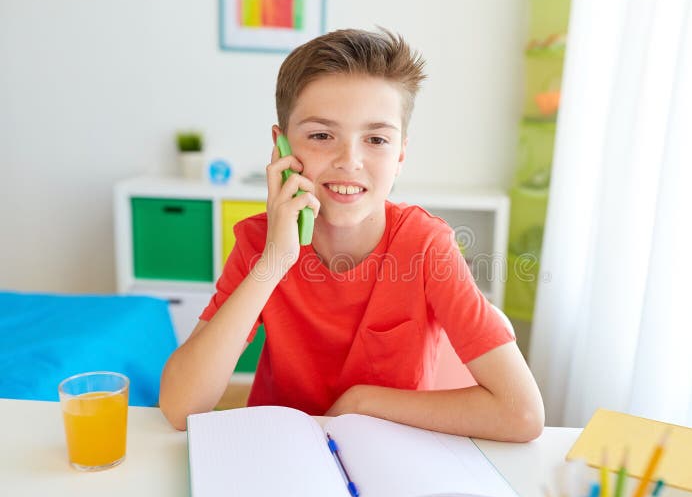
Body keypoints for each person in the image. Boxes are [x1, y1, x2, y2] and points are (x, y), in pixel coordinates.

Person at [159, 28, 545, 442]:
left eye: (376, 139)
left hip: (387, 449)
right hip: (282, 451)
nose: (350, 161)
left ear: (400, 155)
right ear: (282, 146)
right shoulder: (261, 242)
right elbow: (182, 408)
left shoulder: (426, 247)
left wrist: (362, 402)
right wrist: (274, 261)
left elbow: (522, 414)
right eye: (322, 135)